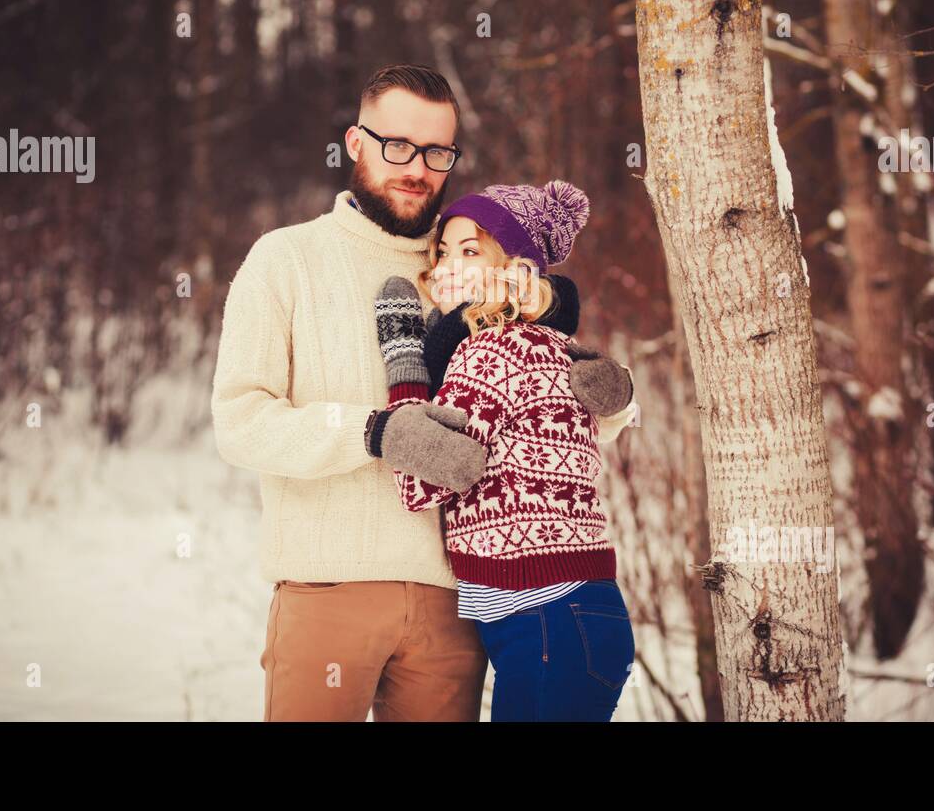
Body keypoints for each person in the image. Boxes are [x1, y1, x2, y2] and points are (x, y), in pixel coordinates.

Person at [210, 64, 637, 721]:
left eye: (437, 151)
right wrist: (374, 431)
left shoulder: (460, 264)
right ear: (355, 142)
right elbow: (241, 421)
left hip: (455, 606)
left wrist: (612, 397)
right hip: (328, 591)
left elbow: (541, 404)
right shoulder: (285, 260)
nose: (417, 167)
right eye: (397, 146)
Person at [363, 181, 637, 721]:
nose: (448, 265)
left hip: (545, 617)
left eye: (471, 251)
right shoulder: (553, 343)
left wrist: (400, 390)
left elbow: (425, 484)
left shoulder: (485, 348)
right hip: (572, 614)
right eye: (444, 250)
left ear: (513, 266)